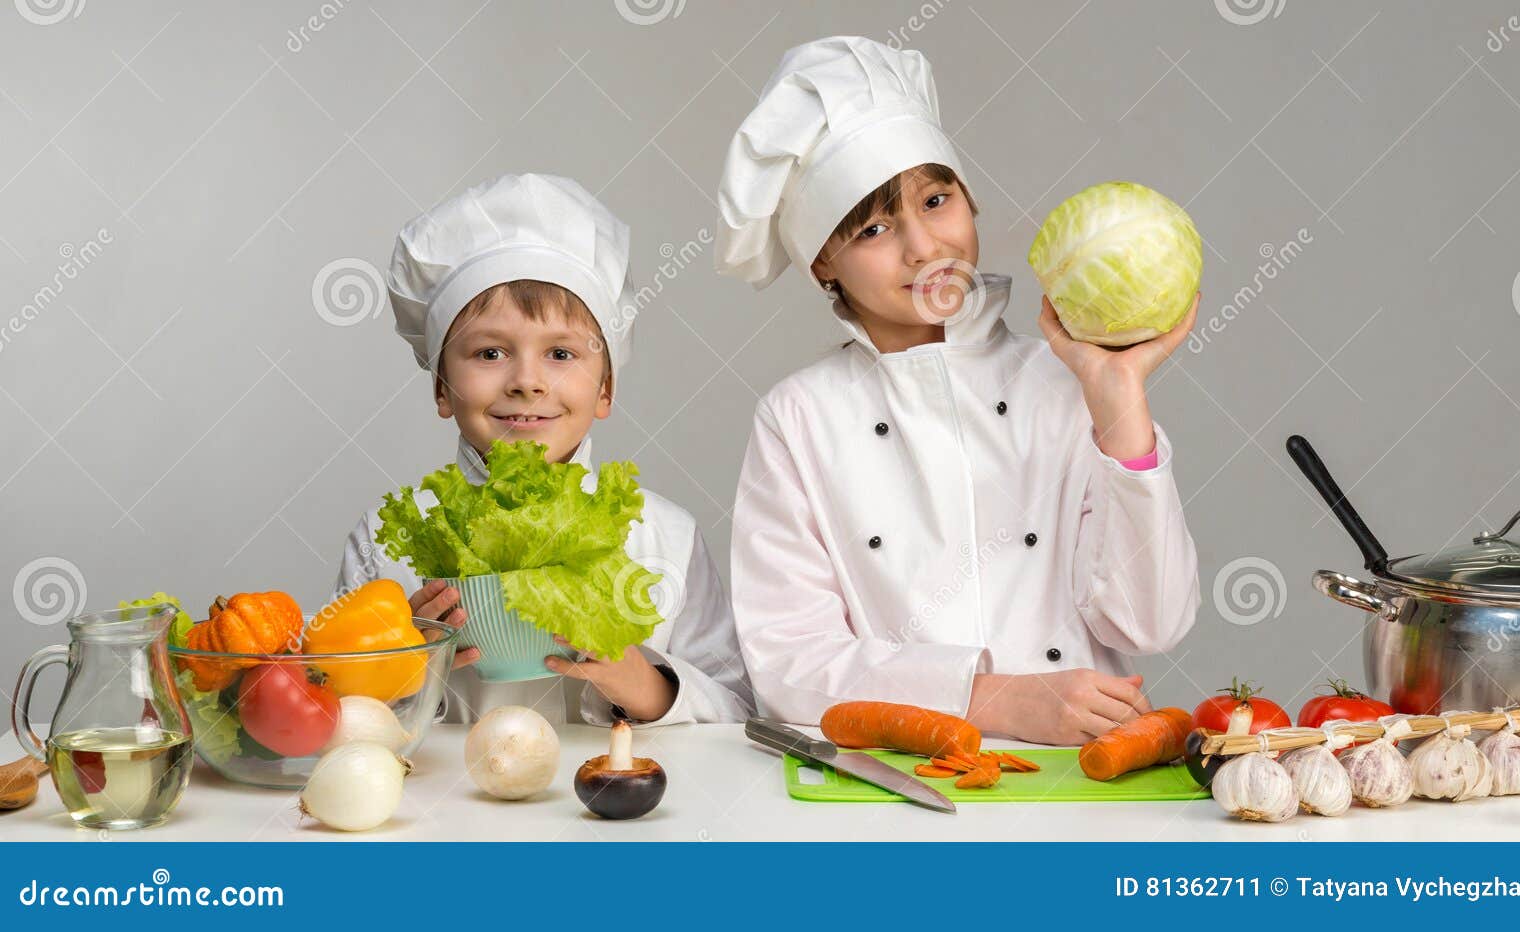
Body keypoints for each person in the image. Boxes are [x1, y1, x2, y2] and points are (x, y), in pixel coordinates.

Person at [715, 36, 1199, 746]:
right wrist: (985, 699)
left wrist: (1120, 398)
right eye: (875, 228)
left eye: (936, 201)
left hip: (1082, 782)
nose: (924, 248)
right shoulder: (800, 417)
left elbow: (1151, 624)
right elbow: (789, 664)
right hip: (901, 788)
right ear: (823, 262)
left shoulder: (1065, 386)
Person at [334, 173, 753, 726]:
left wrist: (642, 681)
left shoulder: (665, 536)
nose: (526, 381)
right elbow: (342, 716)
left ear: (604, 389)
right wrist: (404, 664)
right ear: (441, 387)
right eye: (489, 354)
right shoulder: (385, 547)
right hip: (451, 810)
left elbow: (736, 709)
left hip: (613, 808)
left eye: (560, 354)